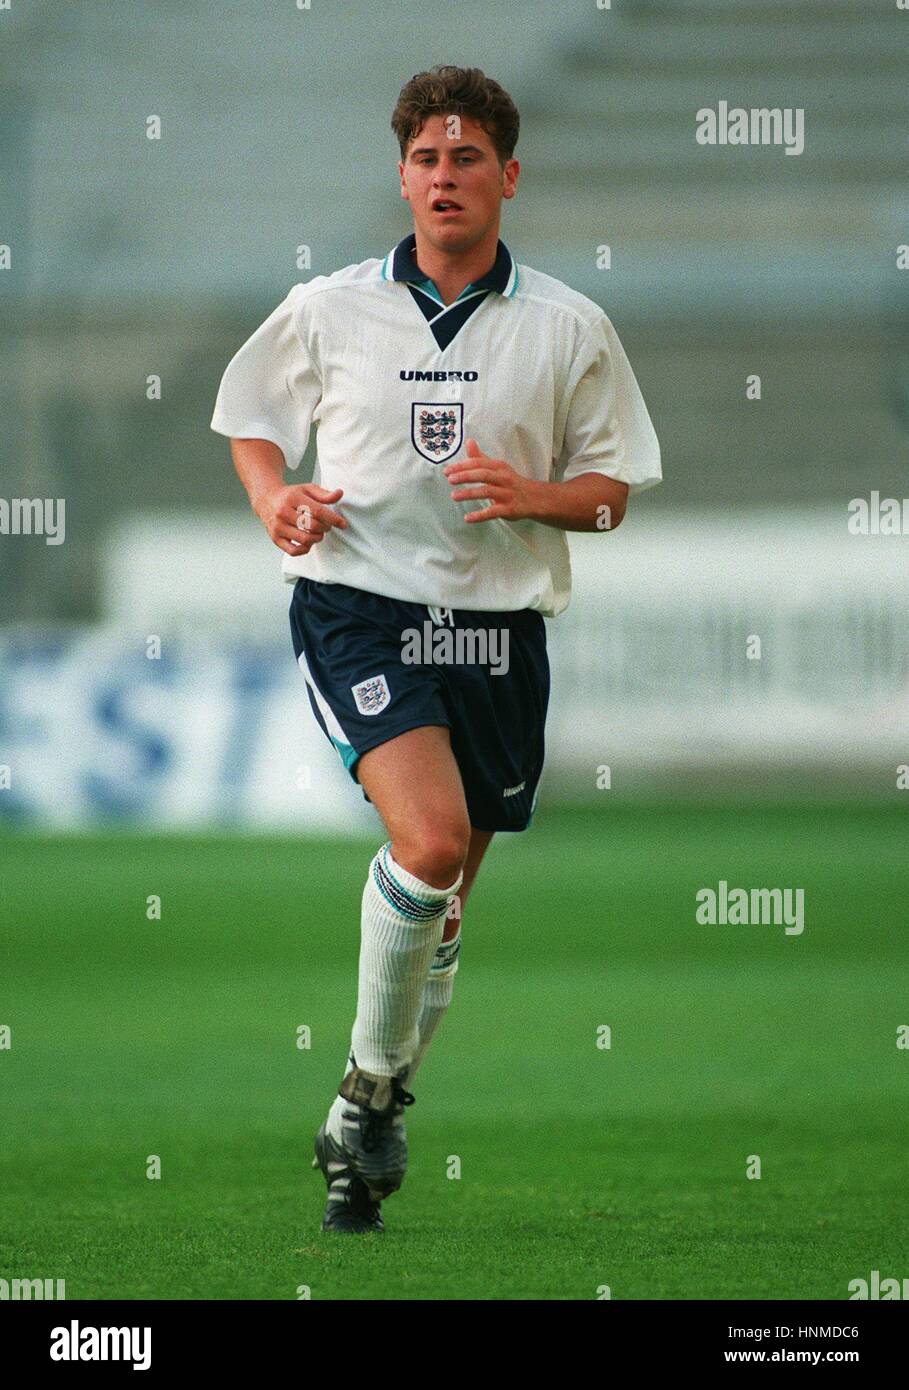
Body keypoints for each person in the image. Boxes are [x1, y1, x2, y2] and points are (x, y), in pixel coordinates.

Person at [211, 64, 661, 1233]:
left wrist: (538, 497)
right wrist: (277, 503)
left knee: (447, 902)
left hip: (499, 631)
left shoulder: (570, 325)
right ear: (402, 175)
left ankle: (369, 1110)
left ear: (508, 175)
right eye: (425, 158)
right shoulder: (329, 305)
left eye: (467, 158)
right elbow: (250, 420)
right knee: (429, 839)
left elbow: (614, 494)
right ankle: (368, 1093)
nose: (444, 176)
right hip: (359, 603)